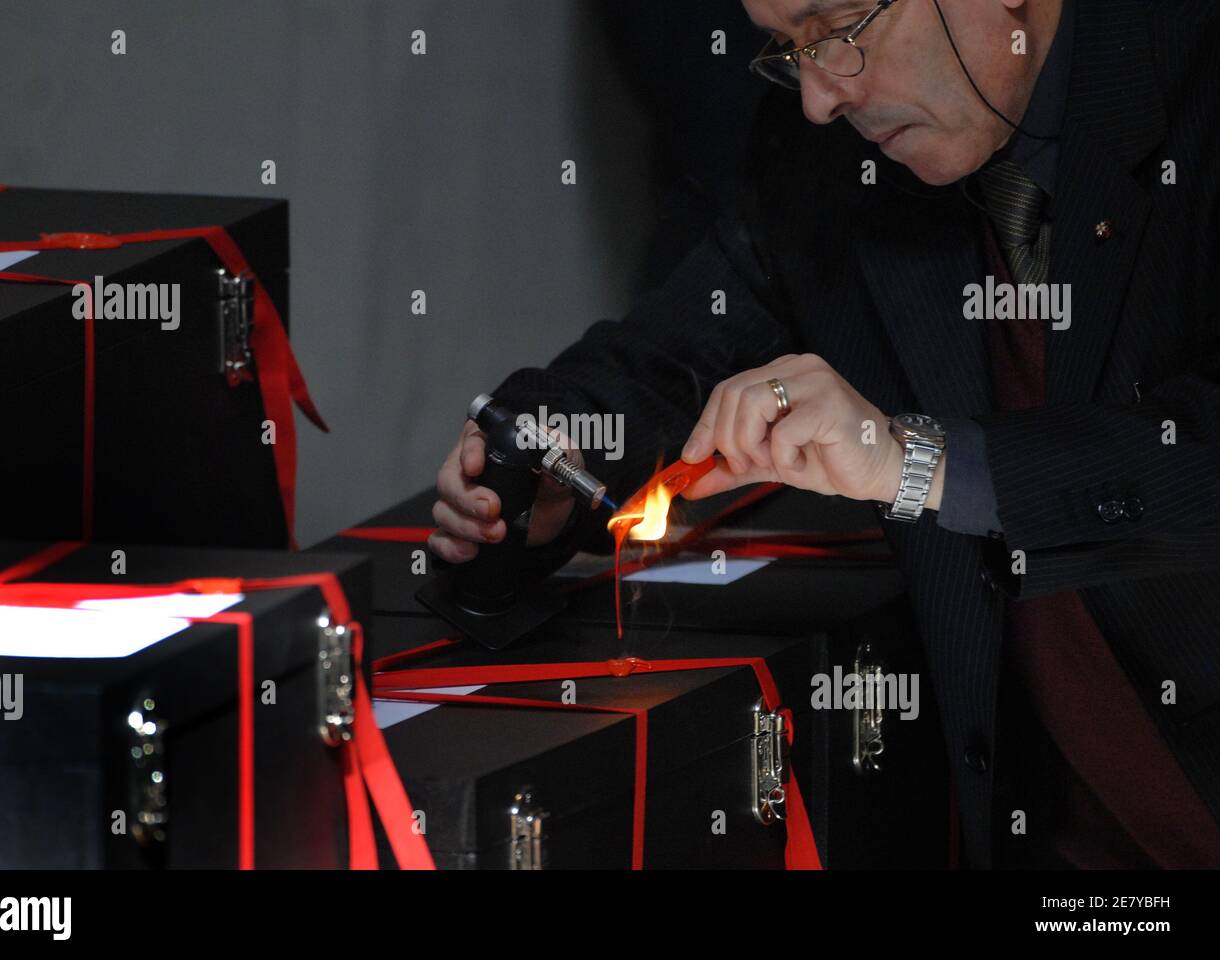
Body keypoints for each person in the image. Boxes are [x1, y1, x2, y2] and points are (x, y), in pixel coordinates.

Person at [429, 0, 1220, 869]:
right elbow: (679, 348)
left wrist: (919, 462)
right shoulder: (829, 159)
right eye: (788, 48)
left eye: (841, 29)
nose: (817, 96)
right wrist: (559, 448)